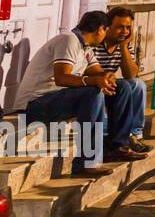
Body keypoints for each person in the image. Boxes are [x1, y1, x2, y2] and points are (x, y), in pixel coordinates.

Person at [15, 11, 145, 177]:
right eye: (106, 31)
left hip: (58, 101)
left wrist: (107, 77)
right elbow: (62, 78)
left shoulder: (87, 48)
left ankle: (118, 147)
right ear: (100, 30)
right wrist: (94, 81)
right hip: (35, 105)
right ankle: (85, 163)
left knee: (123, 87)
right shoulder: (68, 40)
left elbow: (97, 72)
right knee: (92, 93)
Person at [89, 7, 148, 154]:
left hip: (112, 86)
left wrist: (123, 47)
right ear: (107, 27)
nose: (125, 31)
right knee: (113, 88)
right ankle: (107, 134)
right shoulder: (96, 41)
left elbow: (131, 74)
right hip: (94, 86)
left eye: (128, 27)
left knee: (137, 85)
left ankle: (134, 134)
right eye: (120, 27)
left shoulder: (124, 45)